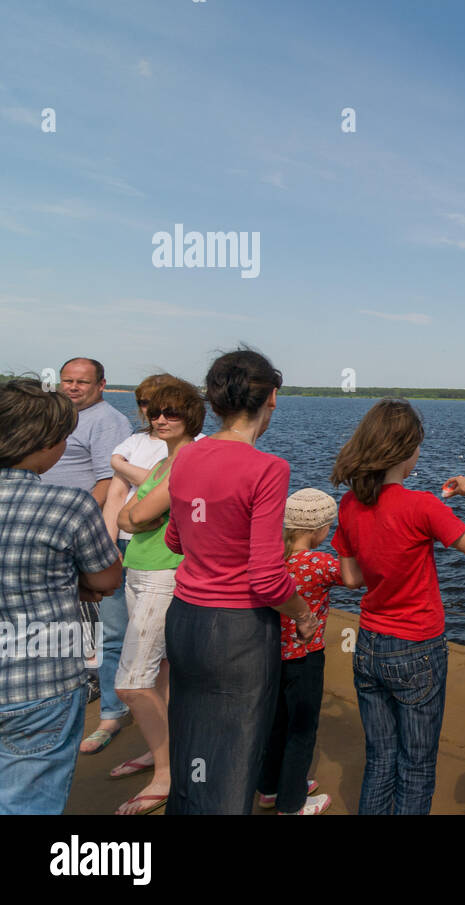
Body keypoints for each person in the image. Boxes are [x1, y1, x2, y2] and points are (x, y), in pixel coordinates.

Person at [162, 349, 319, 815]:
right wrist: (305, 615)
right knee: (233, 760)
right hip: (238, 633)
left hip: (185, 619)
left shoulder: (187, 455)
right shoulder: (268, 469)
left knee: (191, 744)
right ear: (271, 397)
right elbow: (268, 579)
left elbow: (176, 539)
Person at [330, 398, 465, 814]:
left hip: (368, 645)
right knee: (417, 765)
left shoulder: (349, 504)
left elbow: (351, 579)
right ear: (406, 451)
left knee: (381, 759)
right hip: (417, 648)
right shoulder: (422, 505)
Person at [0, 378, 122, 813]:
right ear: (44, 443)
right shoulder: (68, 503)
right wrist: (75, 583)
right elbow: (107, 579)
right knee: (27, 803)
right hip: (41, 680)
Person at [93, 375, 205, 757]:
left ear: (190, 416)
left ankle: (168, 768)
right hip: (139, 568)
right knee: (156, 672)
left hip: (163, 572)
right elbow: (126, 517)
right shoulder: (162, 463)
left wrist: (136, 515)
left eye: (170, 412)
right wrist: (135, 517)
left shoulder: (188, 460)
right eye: (154, 411)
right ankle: (163, 750)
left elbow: (137, 513)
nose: (159, 418)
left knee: (133, 682)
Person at [39, 358, 131, 736]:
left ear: (102, 385)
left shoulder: (107, 421)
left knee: (108, 623)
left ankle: (110, 705)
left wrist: (71, 517)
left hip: (82, 530)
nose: (73, 387)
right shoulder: (59, 417)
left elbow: (110, 482)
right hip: (47, 530)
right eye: (67, 380)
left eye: (82, 382)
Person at [255, 488, 343, 815]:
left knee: (276, 723)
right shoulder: (319, 562)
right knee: (302, 730)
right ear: (320, 529)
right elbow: (355, 577)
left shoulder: (272, 556)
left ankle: (268, 787)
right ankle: (292, 804)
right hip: (305, 656)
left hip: (271, 655)